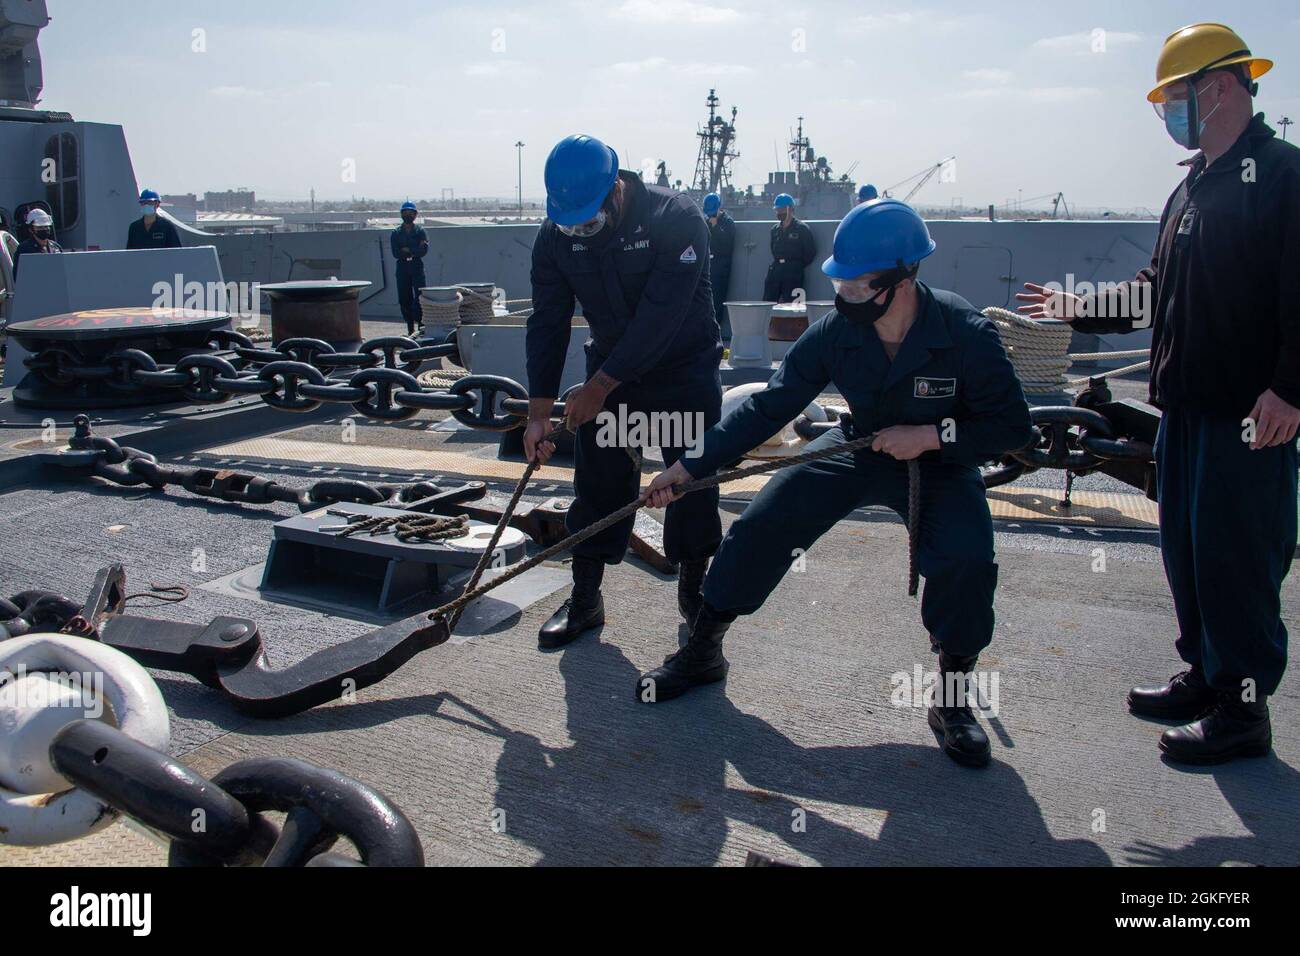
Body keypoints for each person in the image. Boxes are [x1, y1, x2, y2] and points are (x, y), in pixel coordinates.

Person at [639, 199, 1034, 768]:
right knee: (762, 526)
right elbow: (770, 406)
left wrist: (930, 436)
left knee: (966, 559)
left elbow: (1011, 427)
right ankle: (704, 651)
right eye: (839, 283)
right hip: (858, 446)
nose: (842, 295)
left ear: (901, 281)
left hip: (942, 463)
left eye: (855, 285)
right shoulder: (836, 332)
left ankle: (950, 698)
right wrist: (689, 467)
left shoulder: (965, 332)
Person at [1017, 22, 1297, 765]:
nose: (1170, 110)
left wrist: (1289, 391)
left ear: (1222, 87)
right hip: (1186, 409)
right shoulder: (1194, 184)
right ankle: (1207, 675)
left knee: (1238, 560)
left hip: (1248, 418)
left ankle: (1243, 713)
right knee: (1190, 553)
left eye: (1177, 95)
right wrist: (1079, 308)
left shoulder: (1283, 177)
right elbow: (1153, 291)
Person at [525, 134, 723, 649]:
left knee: (692, 482)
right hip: (612, 370)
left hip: (682, 368)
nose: (580, 234)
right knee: (599, 482)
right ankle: (586, 597)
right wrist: (539, 412)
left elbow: (661, 317)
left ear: (616, 190)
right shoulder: (556, 237)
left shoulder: (675, 218)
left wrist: (599, 386)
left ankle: (695, 594)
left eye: (589, 222)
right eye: (571, 225)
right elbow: (548, 321)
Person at [762, 193, 816, 303]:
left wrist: (795, 265)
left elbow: (810, 253)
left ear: (790, 209)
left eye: (782, 209)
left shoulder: (801, 229)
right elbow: (773, 249)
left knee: (793, 304)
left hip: (793, 272)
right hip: (776, 270)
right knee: (768, 302)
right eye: (777, 210)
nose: (779, 212)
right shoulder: (775, 230)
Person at [390, 201, 429, 336]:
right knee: (404, 298)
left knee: (420, 297)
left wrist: (408, 250)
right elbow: (396, 253)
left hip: (416, 266)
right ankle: (410, 327)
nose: (408, 215)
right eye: (405, 213)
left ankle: (421, 326)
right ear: (401, 214)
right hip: (402, 267)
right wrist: (414, 249)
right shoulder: (396, 233)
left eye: (410, 213)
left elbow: (423, 251)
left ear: (415, 215)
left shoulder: (420, 231)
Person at [702, 192, 736, 346]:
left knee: (717, 302)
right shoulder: (706, 222)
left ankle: (716, 336)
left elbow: (727, 244)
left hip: (720, 268)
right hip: (707, 265)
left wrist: (715, 226)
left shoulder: (727, 223)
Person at [13, 208, 62, 280]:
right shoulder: (24, 249)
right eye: (40, 227)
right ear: (30, 229)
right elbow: (18, 277)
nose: (44, 229)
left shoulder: (56, 247)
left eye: (46, 226)